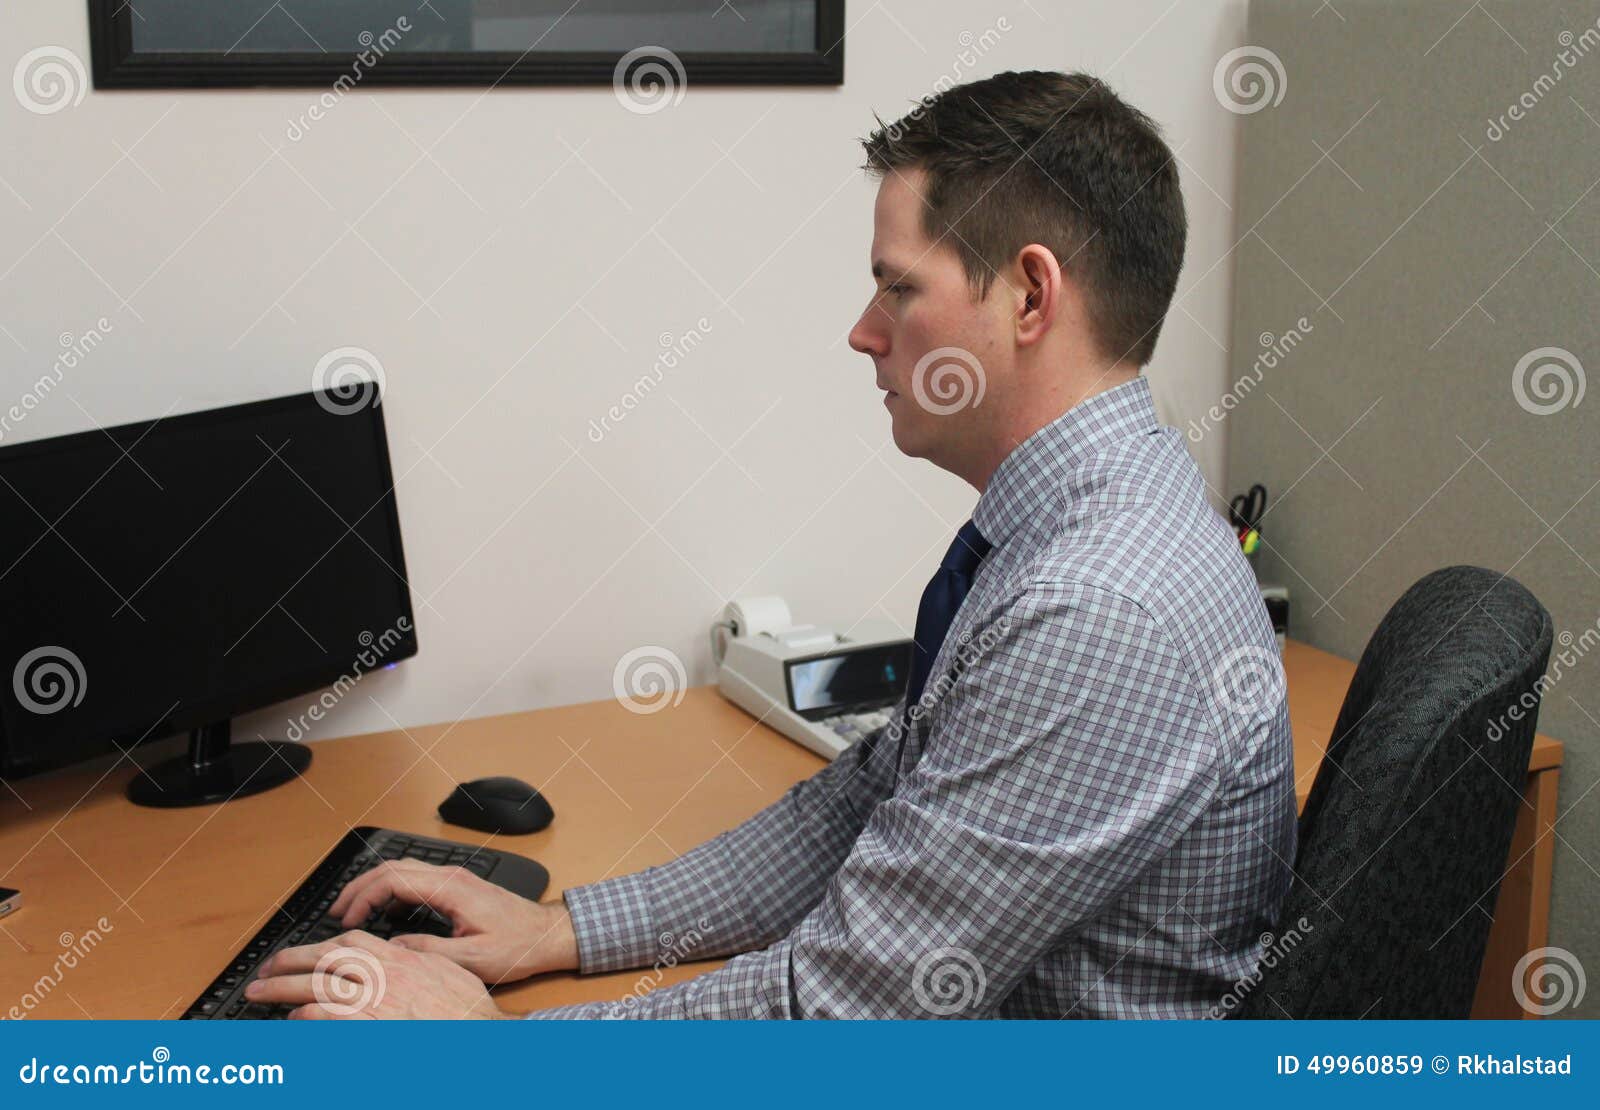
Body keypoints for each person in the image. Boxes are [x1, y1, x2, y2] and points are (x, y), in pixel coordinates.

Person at [247, 69, 1296, 1020]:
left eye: (897, 286)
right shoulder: (1070, 529)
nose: (863, 330)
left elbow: (845, 1014)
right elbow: (858, 808)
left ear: (1029, 295)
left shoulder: (1098, 606)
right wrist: (561, 930)